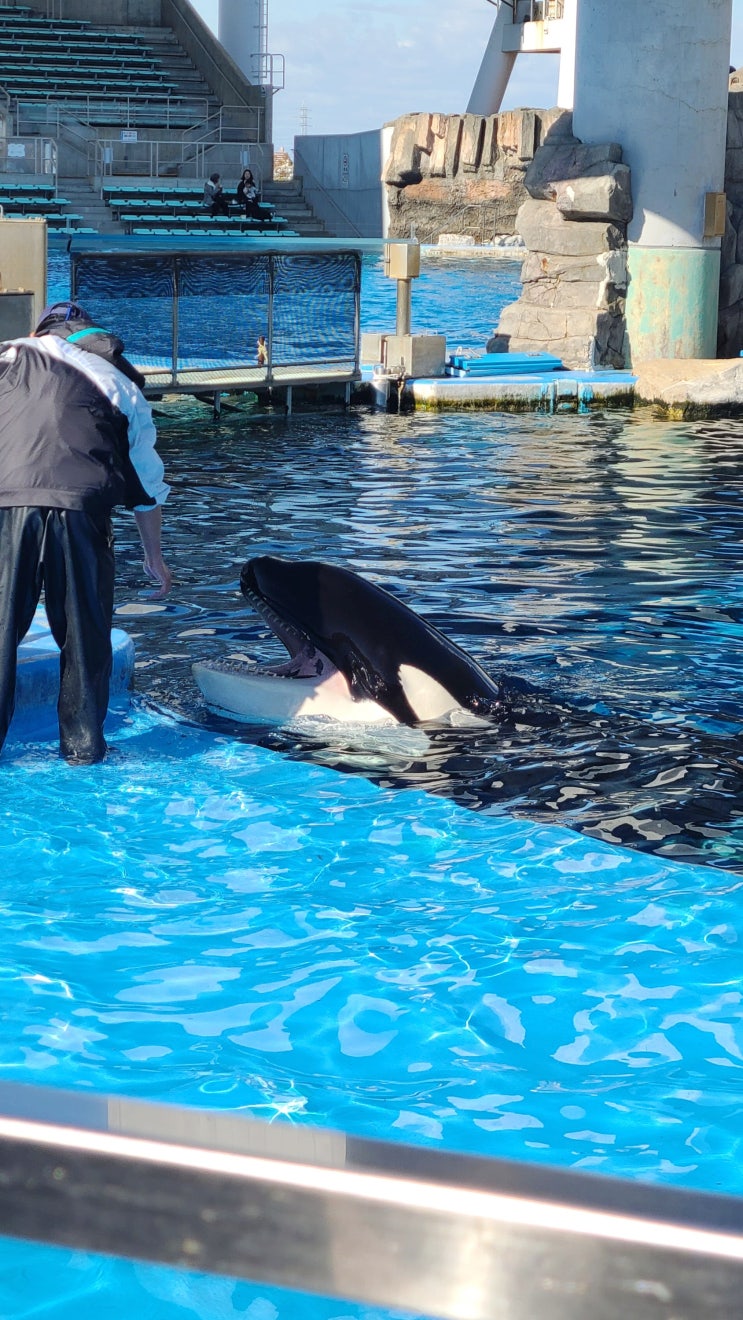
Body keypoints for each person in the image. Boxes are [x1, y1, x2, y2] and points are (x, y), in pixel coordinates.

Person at [0, 300, 172, 765]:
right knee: (84, 634)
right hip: (81, 510)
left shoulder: (6, 357)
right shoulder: (120, 384)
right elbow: (147, 488)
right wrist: (153, 557)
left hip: (6, 506)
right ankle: (82, 750)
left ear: (41, 332)